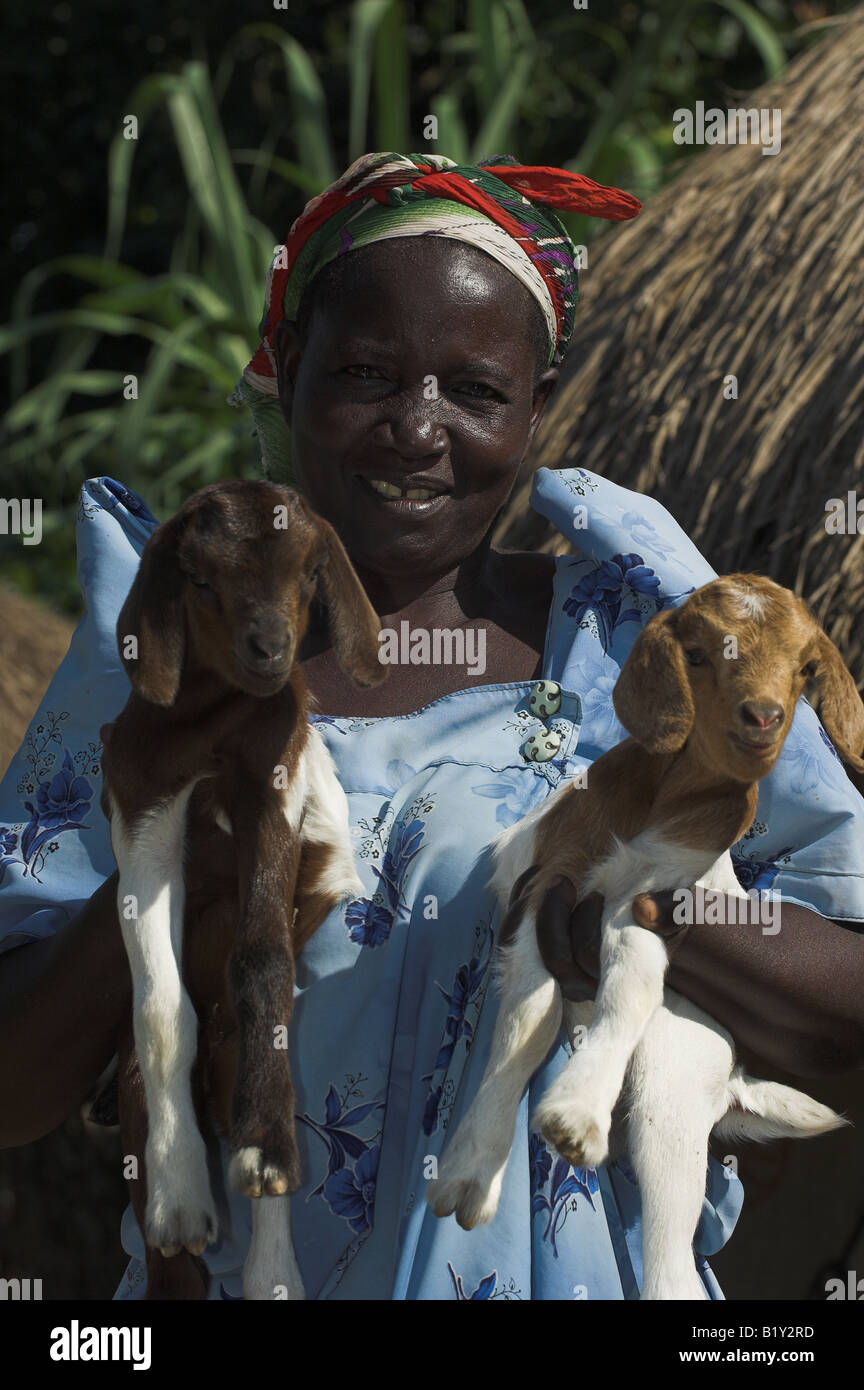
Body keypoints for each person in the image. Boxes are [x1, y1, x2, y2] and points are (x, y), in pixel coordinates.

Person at [1, 152, 862, 1302]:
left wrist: (634, 893)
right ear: (291, 370)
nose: (416, 429)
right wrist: (180, 866)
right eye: (365, 372)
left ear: (538, 407)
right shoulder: (164, 652)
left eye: (475, 389)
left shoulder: (651, 648)